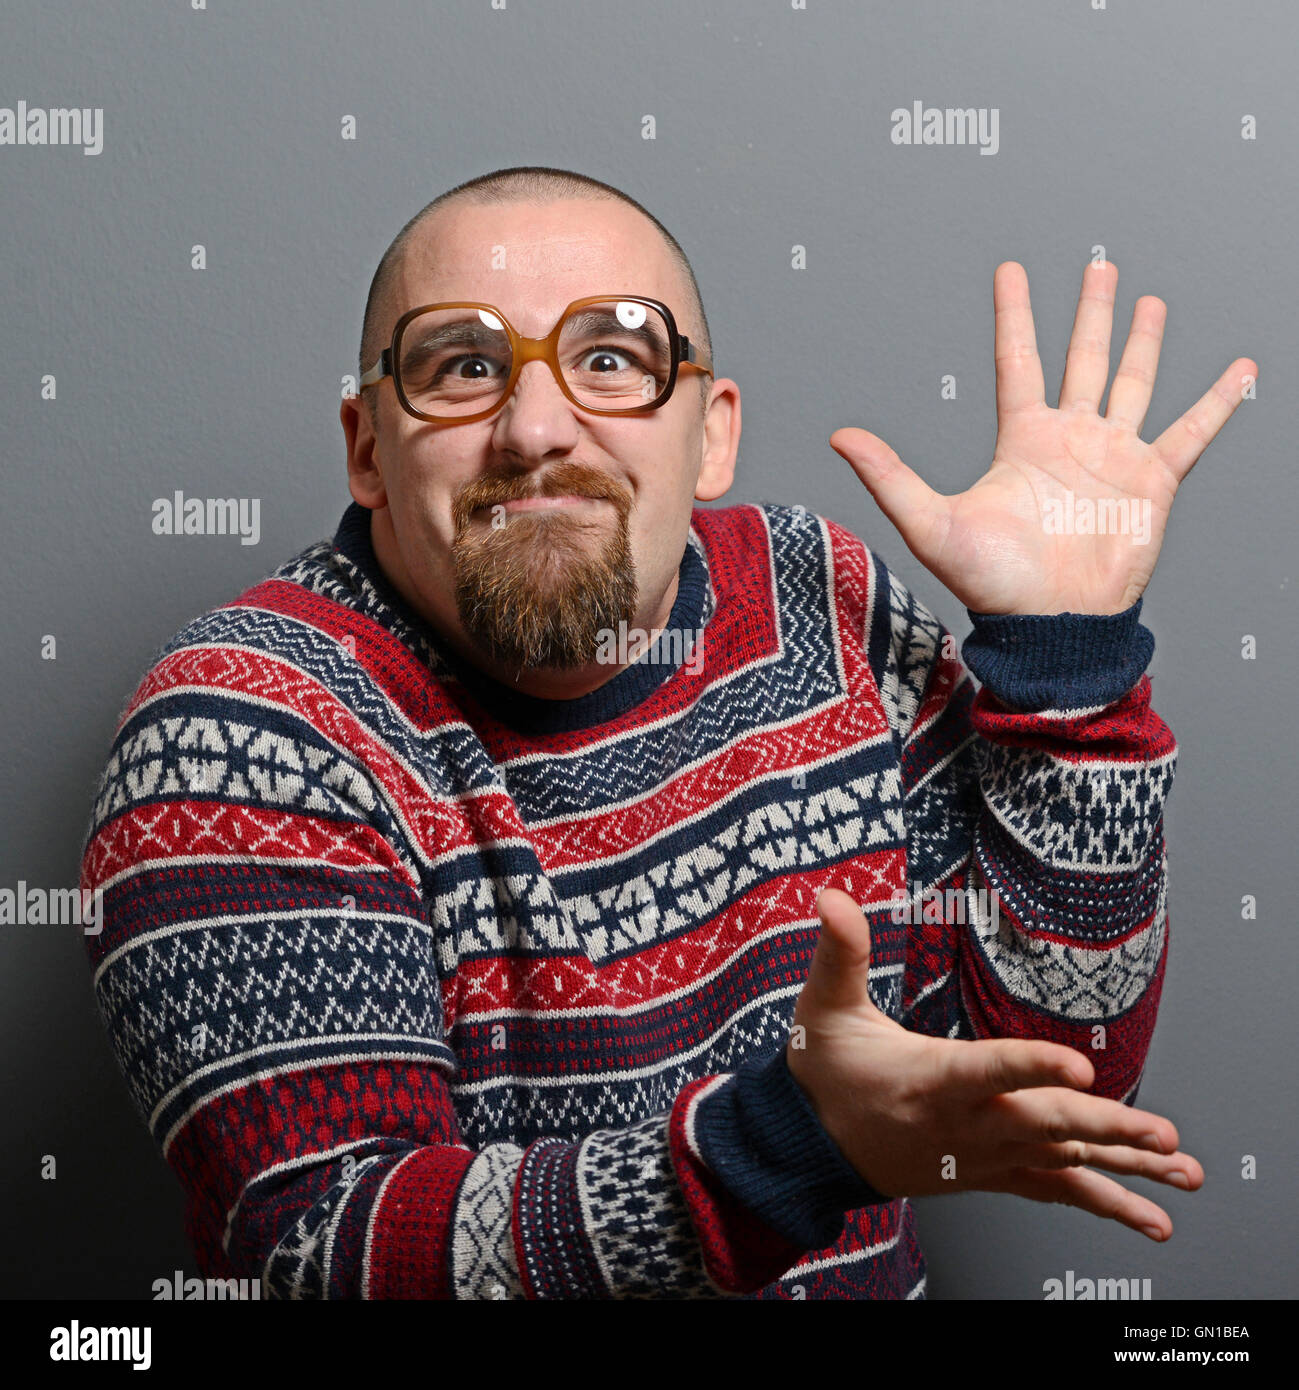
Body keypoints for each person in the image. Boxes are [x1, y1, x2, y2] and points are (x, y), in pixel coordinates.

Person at [79, 164, 1254, 1300]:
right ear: (367, 448)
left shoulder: (819, 604)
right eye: (463, 365)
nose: (537, 427)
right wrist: (780, 1146)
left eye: (610, 356)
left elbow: (1056, 1074)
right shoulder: (245, 730)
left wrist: (1070, 666)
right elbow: (327, 1246)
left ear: (713, 432)